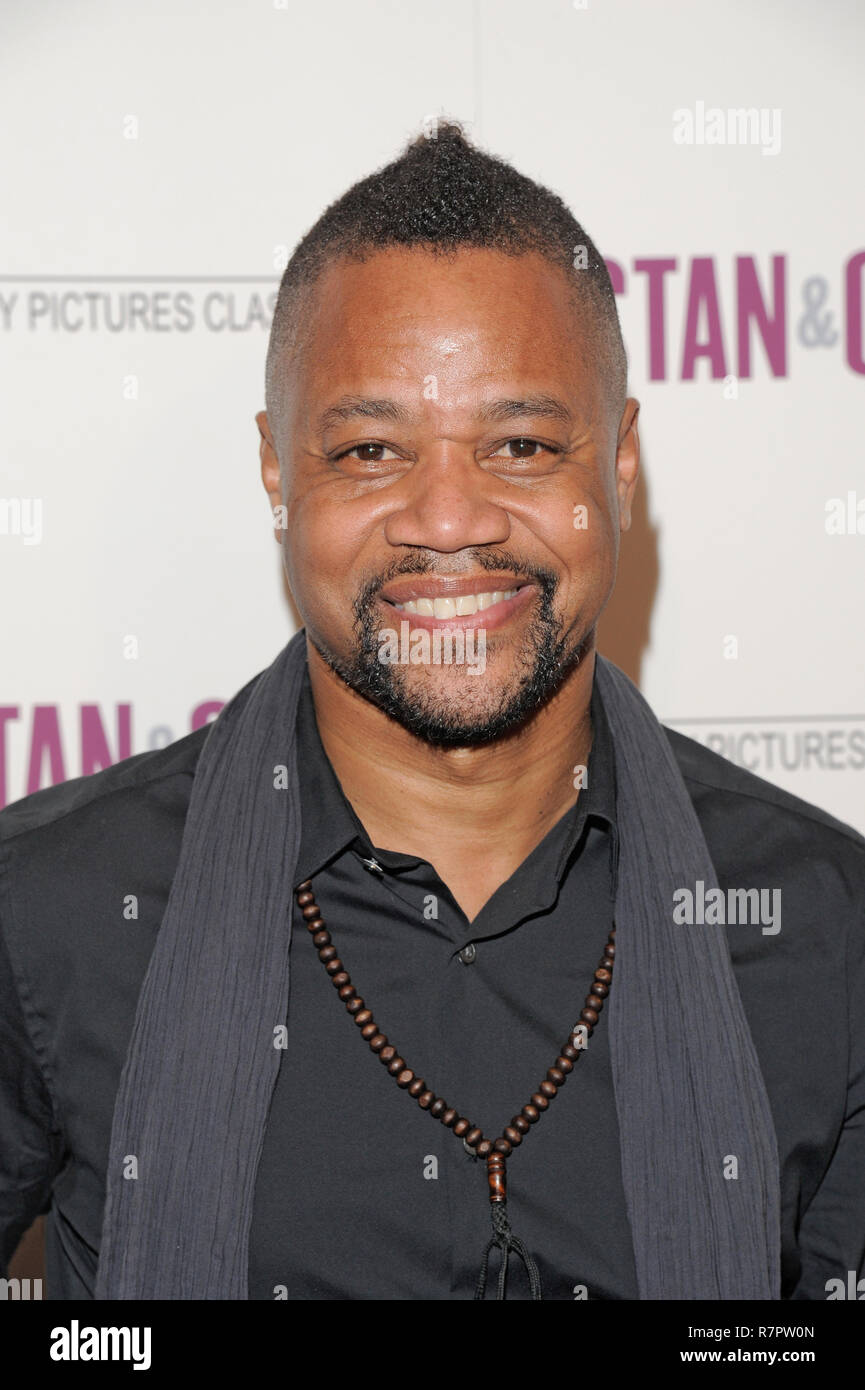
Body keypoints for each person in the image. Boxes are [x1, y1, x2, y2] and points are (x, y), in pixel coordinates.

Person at [1, 121, 862, 1303]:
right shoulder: (47, 911)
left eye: (518, 443)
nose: (448, 520)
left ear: (616, 467)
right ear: (275, 476)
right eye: (369, 449)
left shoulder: (827, 927)